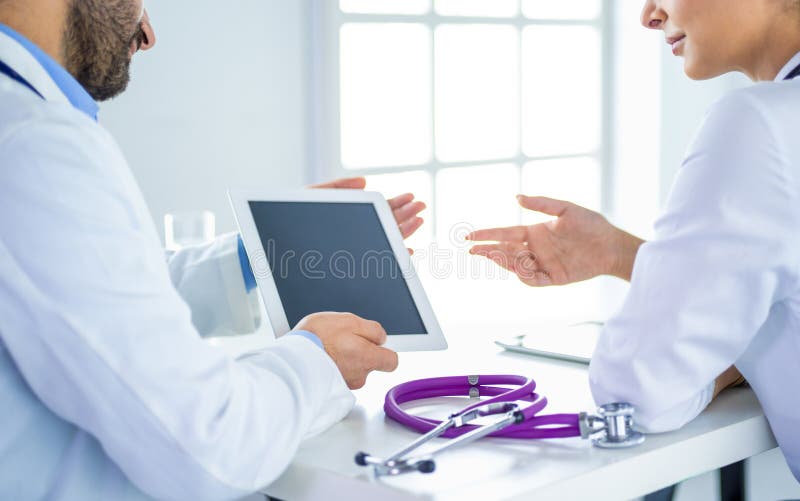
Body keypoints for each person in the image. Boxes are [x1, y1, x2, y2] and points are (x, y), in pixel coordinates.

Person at [0, 0, 427, 499]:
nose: (147, 33)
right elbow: (210, 444)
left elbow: (86, 306)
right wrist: (318, 360)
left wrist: (261, 254)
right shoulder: (33, 143)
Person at [468, 0, 800, 481]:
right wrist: (620, 253)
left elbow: (639, 394)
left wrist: (732, 362)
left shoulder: (760, 122)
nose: (649, 15)